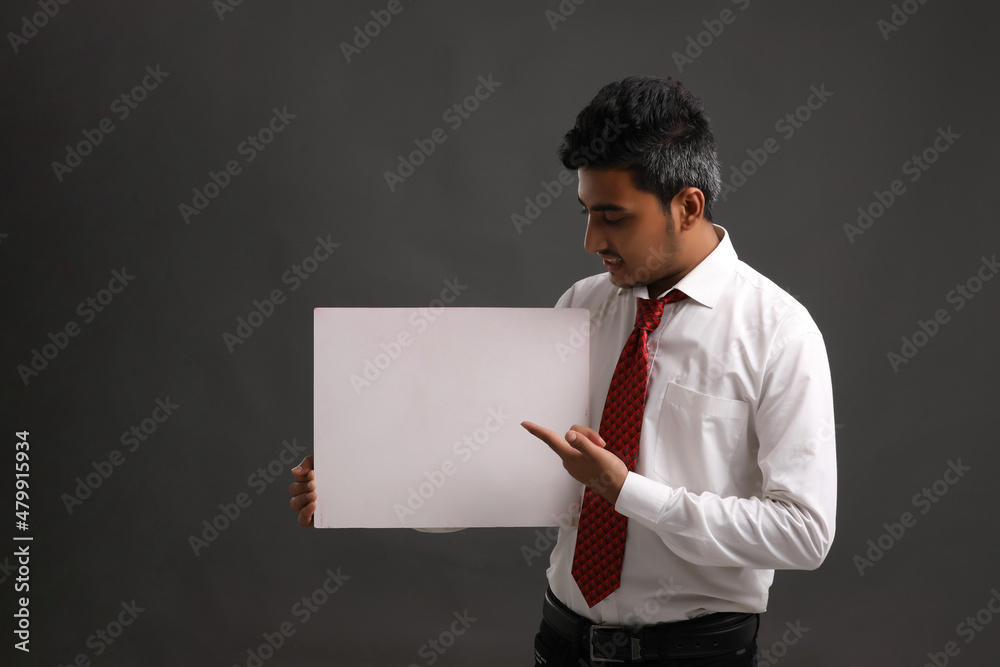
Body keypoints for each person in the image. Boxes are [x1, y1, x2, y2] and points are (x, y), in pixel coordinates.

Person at [290, 75, 837, 666]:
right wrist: (366, 489)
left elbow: (803, 533)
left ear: (687, 206)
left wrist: (627, 492)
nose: (590, 240)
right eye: (585, 213)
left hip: (695, 654)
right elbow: (501, 473)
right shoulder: (582, 306)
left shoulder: (780, 331)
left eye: (613, 217)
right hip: (563, 644)